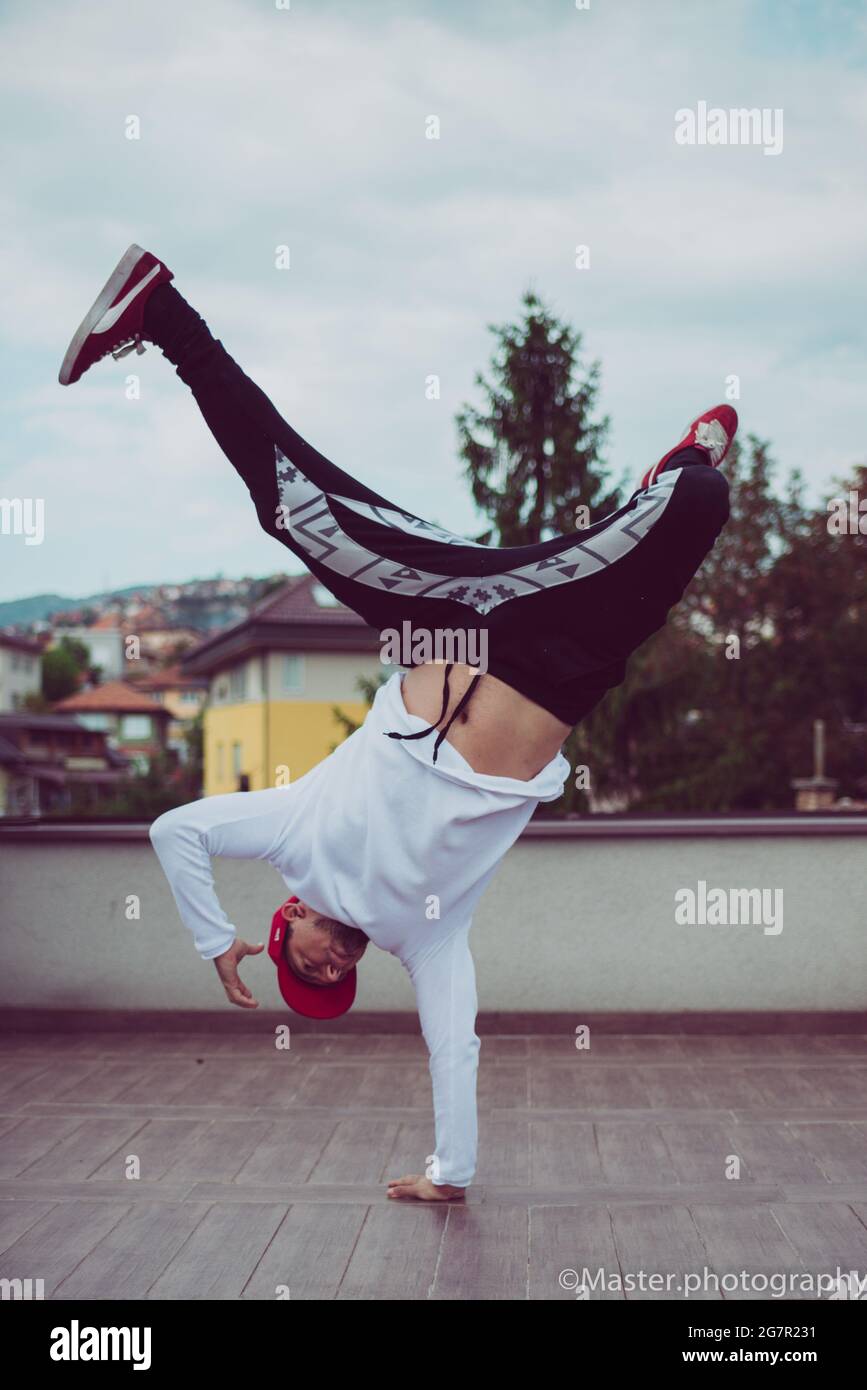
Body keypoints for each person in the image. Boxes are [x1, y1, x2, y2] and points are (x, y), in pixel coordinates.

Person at [59, 245, 735, 1202]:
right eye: (337, 981)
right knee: (702, 500)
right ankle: (667, 482)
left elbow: (179, 831)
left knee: (294, 506)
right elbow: (451, 1042)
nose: (333, 967)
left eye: (309, 969)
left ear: (283, 927)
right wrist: (447, 1176)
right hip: (565, 674)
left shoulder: (291, 844)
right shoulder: (428, 936)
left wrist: (213, 942)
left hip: (455, 617)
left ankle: (161, 315)